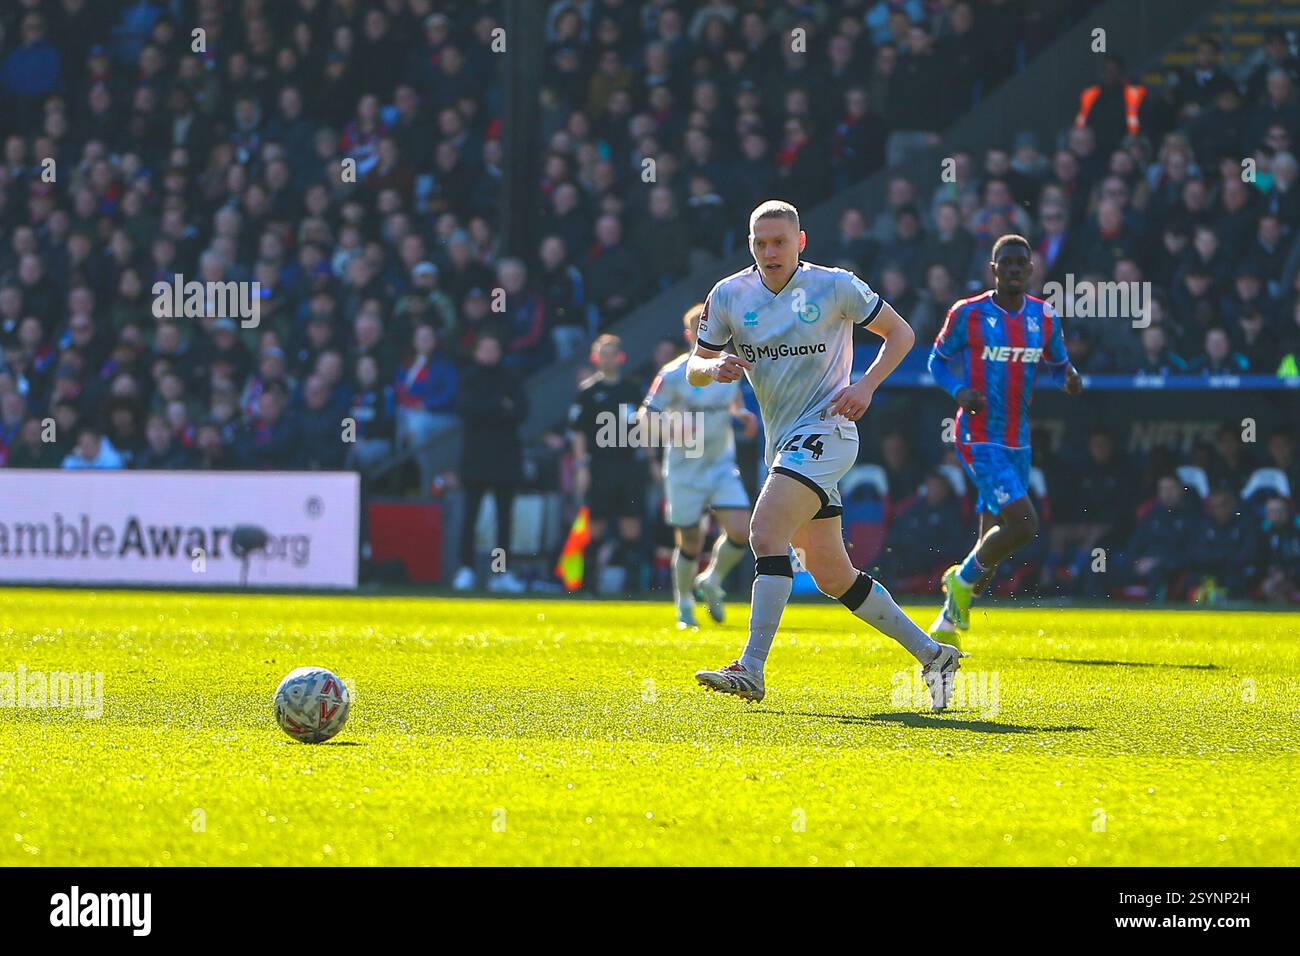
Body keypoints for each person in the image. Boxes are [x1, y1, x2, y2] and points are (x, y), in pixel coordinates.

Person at [688, 200, 964, 712]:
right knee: (833, 574)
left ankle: (750, 667)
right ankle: (934, 654)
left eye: (779, 242)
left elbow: (901, 333)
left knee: (763, 533)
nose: (770, 252)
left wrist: (867, 385)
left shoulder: (834, 285)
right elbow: (693, 367)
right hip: (784, 445)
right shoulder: (728, 294)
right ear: (749, 244)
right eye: (760, 242)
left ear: (801, 242)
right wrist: (715, 367)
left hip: (829, 431)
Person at [926, 234, 1084, 645]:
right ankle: (960, 582)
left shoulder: (1044, 317)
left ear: (1031, 269)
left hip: (1019, 441)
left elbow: (1059, 362)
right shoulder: (968, 313)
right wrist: (959, 391)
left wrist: (1068, 377)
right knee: (1024, 524)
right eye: (1006, 263)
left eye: (1021, 263)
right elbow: (937, 361)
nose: (1014, 269)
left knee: (991, 542)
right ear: (993, 269)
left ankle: (948, 618)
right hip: (978, 436)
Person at [638, 302, 757, 629]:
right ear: (690, 334)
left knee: (740, 529)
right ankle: (684, 604)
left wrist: (742, 415)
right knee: (690, 539)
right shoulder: (673, 374)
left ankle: (712, 579)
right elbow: (645, 417)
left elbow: (734, 402)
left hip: (720, 463)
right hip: (684, 467)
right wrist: (673, 430)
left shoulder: (730, 369)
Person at [567, 333, 647, 594]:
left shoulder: (632, 390)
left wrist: (651, 460)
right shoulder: (588, 392)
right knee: (596, 526)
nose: (608, 358)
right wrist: (581, 467)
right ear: (595, 358)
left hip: (627, 465)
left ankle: (632, 586)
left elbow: (643, 427)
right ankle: (588, 585)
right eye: (603, 353)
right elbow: (578, 432)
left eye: (612, 353)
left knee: (631, 526)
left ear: (621, 358)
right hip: (599, 466)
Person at [453, 334, 528, 594]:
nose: (489, 352)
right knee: (470, 516)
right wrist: (498, 406)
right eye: (484, 347)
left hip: (505, 457)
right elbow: (465, 408)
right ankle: (466, 568)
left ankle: (500, 572)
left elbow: (521, 411)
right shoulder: (469, 377)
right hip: (475, 457)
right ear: (476, 351)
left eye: (493, 347)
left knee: (504, 518)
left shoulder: (511, 377)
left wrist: (489, 409)